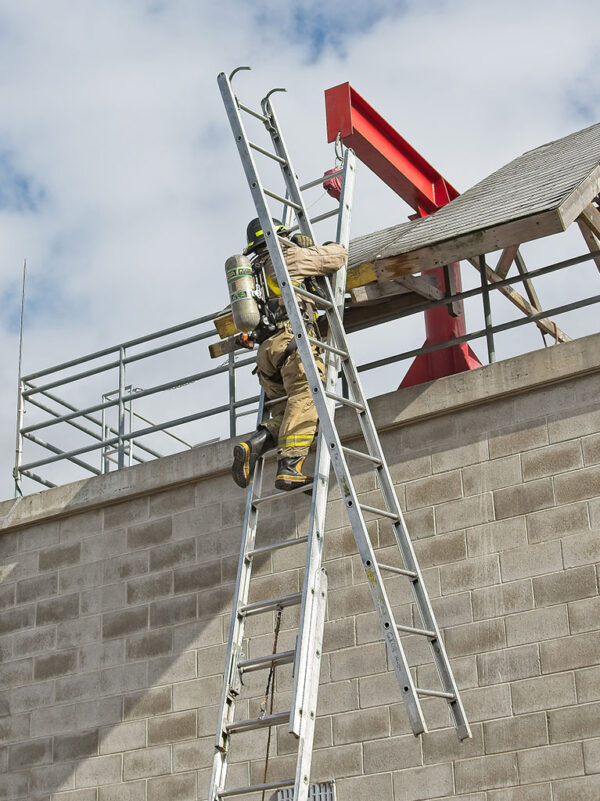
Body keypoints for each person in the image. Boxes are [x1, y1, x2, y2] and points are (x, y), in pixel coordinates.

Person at [232, 218, 347, 491]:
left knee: (285, 410)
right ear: (279, 237)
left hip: (266, 355)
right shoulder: (288, 257)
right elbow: (338, 256)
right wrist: (310, 246)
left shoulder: (252, 273)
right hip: (291, 344)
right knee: (307, 395)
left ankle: (254, 445)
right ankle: (290, 467)